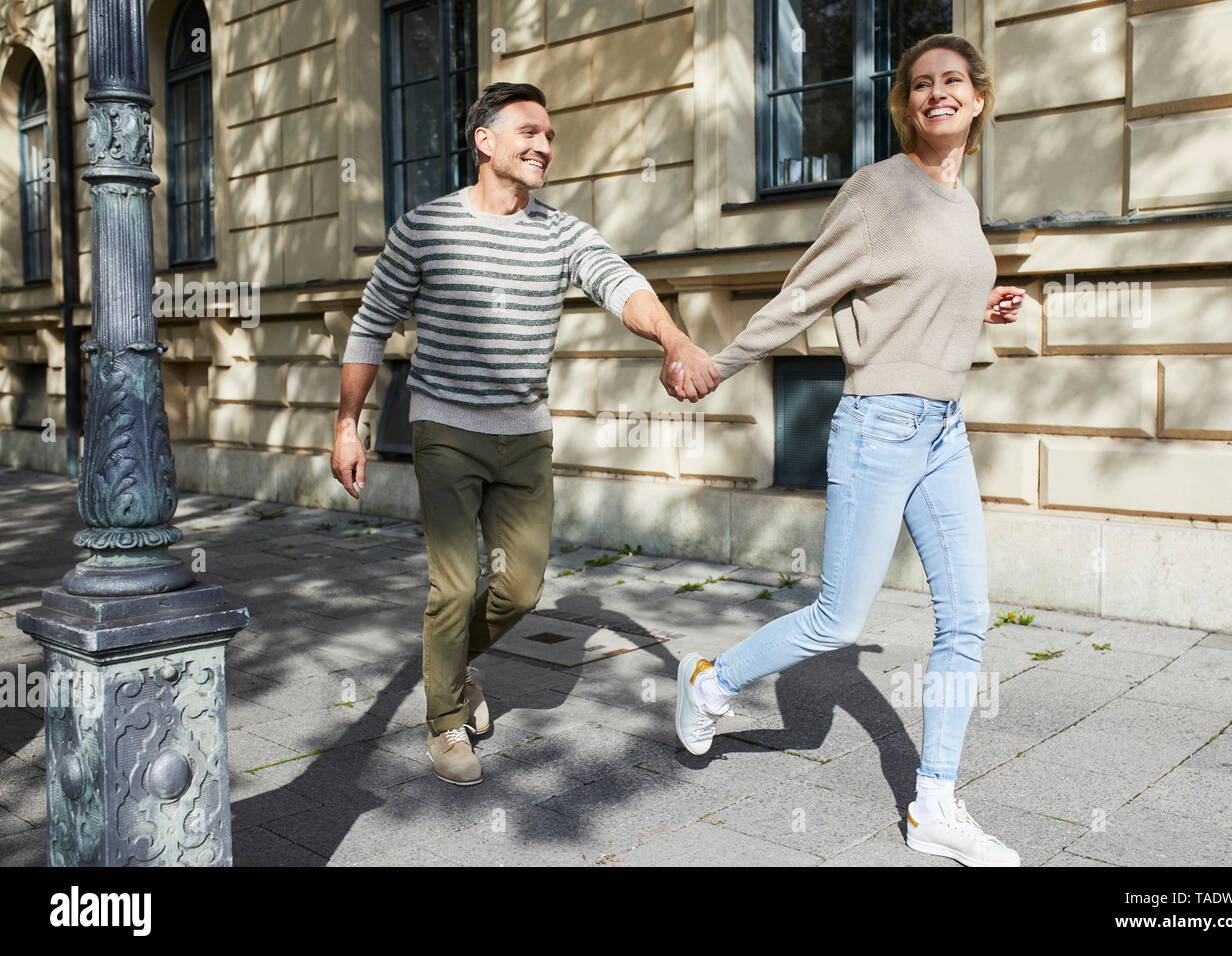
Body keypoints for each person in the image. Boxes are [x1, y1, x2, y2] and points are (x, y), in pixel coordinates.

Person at [672, 35, 1026, 866]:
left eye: (953, 82)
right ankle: (711, 684)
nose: (937, 93)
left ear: (977, 99)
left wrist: (985, 304)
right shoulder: (878, 190)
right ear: (906, 104)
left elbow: (916, 298)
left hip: (944, 428)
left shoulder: (963, 203)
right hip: (880, 427)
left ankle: (934, 802)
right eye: (920, 84)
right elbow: (804, 294)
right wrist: (719, 365)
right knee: (842, 618)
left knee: (968, 617)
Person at [331, 82, 718, 786]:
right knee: (452, 589)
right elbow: (369, 324)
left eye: (549, 136)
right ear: (485, 141)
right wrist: (346, 426)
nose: (543, 146)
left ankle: (450, 668)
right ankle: (446, 721)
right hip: (445, 427)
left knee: (519, 590)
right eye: (529, 133)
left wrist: (672, 338)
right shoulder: (425, 228)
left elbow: (619, 282)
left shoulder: (562, 232)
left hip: (525, 435)